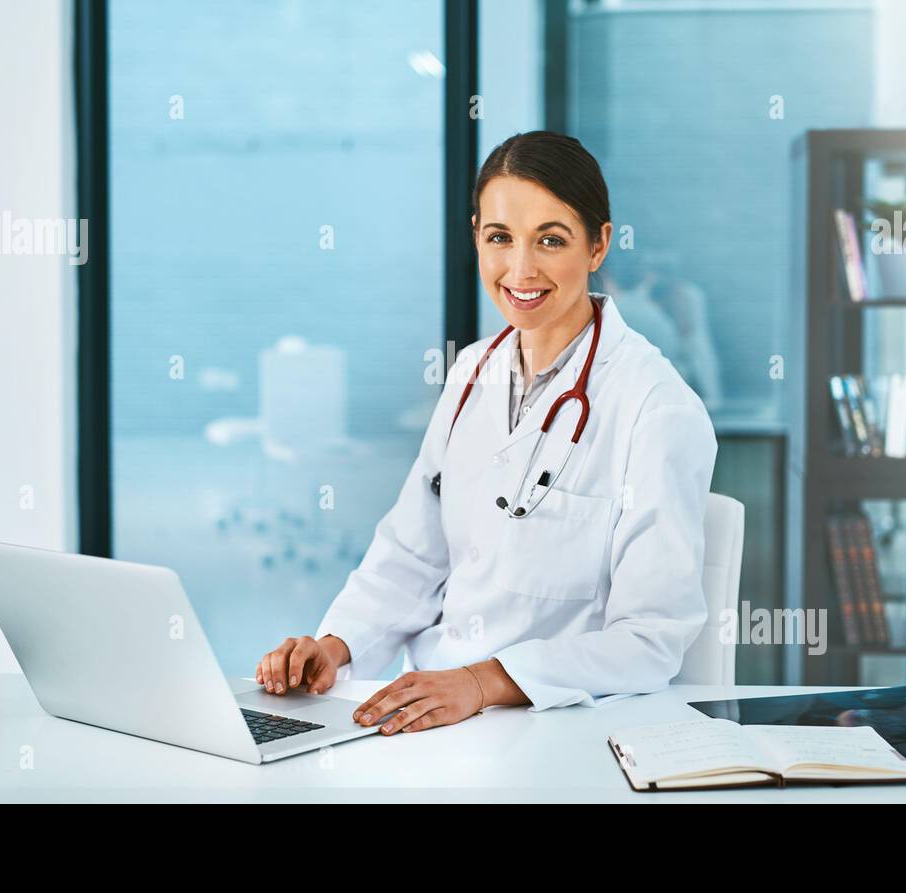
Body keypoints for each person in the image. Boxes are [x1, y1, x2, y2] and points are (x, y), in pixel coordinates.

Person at [256, 130, 717, 735]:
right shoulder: (473, 371)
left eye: (551, 240)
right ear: (476, 235)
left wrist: (483, 682)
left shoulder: (655, 407)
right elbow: (412, 554)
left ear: (599, 244)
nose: (520, 269)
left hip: (558, 725)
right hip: (429, 714)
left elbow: (651, 639)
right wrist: (336, 647)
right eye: (499, 238)